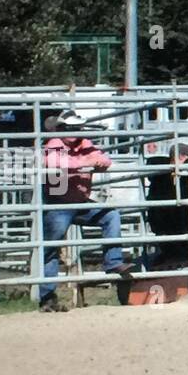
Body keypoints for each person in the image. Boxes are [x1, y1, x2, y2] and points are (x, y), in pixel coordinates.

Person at [37, 109, 134, 312]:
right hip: (58, 204)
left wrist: (88, 162)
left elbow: (104, 160)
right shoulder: (54, 144)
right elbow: (56, 164)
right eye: (69, 128)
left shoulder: (83, 143)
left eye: (76, 128)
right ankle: (47, 297)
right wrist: (86, 163)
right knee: (50, 249)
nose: (73, 132)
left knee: (111, 215)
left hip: (80, 202)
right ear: (61, 129)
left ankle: (113, 261)